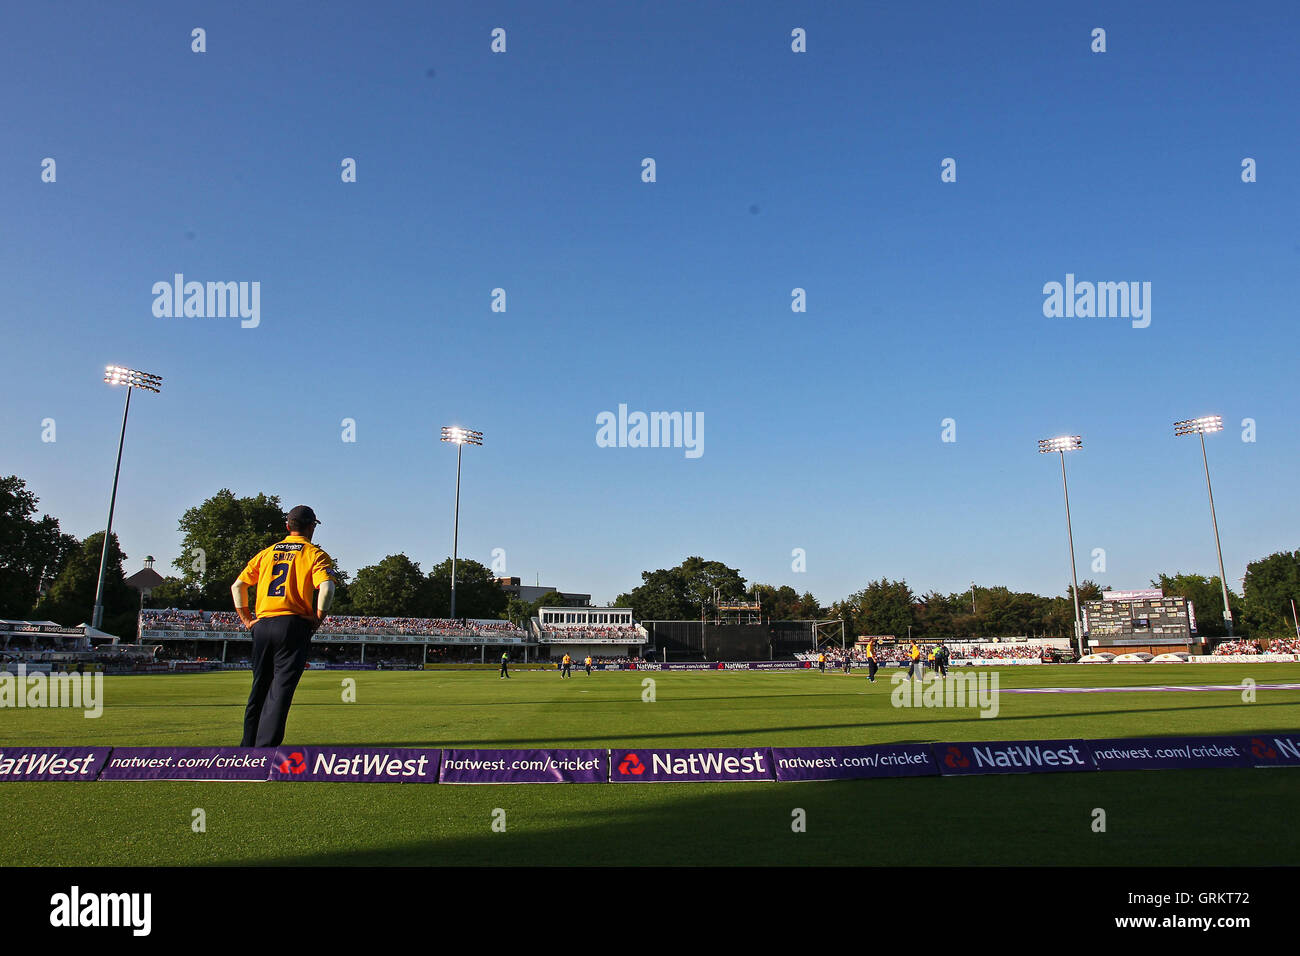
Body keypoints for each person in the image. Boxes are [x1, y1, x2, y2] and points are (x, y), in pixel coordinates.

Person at [231, 505, 336, 748]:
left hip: (262, 624)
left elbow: (238, 586)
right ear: (311, 527)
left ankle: (246, 749)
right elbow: (327, 588)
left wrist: (247, 619)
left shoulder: (266, 553)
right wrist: (318, 618)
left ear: (287, 526)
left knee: (259, 688)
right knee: (280, 691)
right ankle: (265, 751)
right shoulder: (314, 554)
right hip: (292, 624)